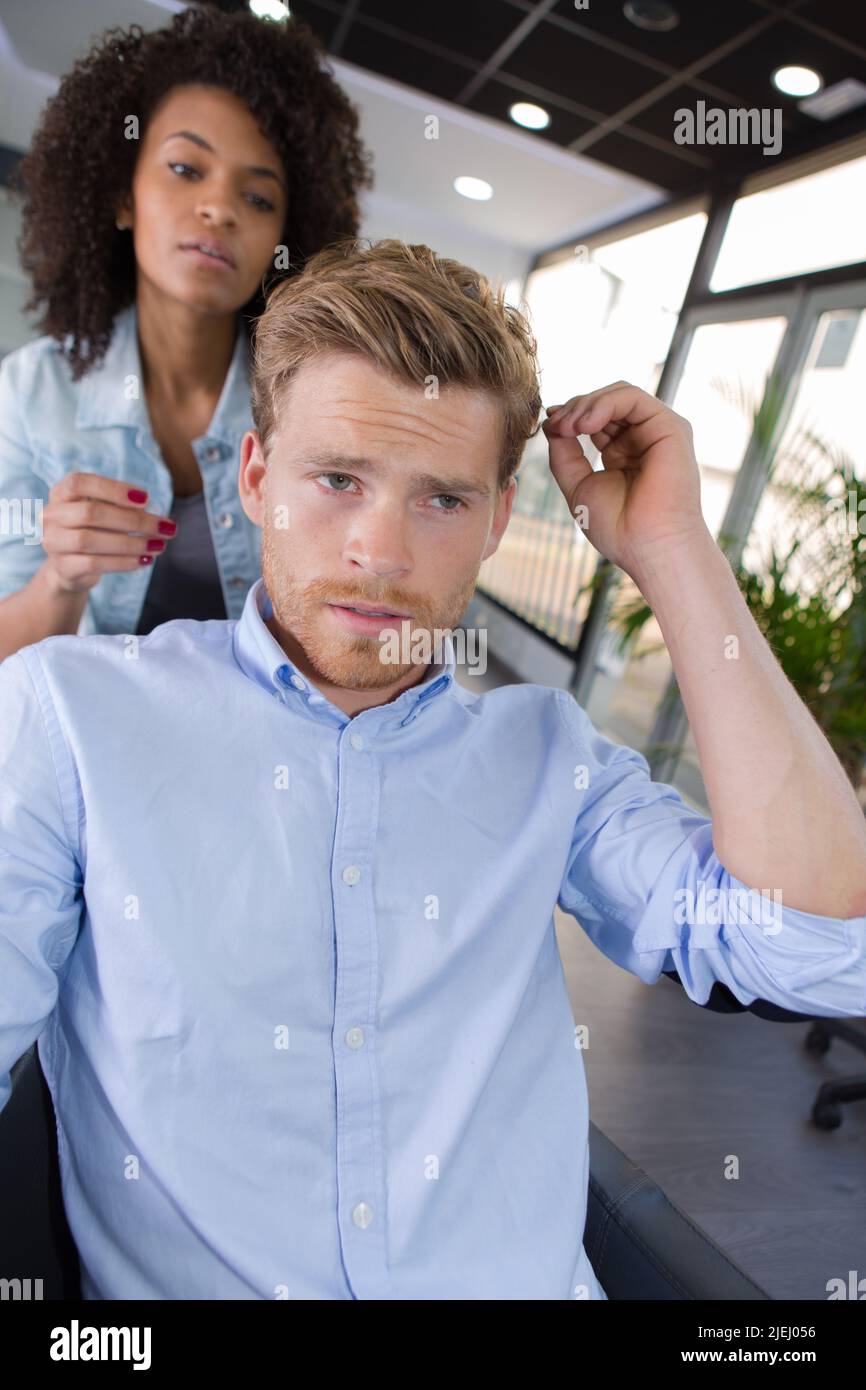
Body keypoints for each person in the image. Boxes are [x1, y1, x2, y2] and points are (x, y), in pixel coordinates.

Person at [0, 237, 864, 1301]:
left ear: (500, 517)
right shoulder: (71, 715)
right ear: (258, 476)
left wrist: (671, 547)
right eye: (336, 479)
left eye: (441, 500)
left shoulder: (549, 760)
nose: (380, 550)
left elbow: (826, 948)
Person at [0, 3, 372, 661]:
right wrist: (62, 576)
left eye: (258, 198)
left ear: (285, 239)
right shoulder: (32, 392)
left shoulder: (316, 400)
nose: (219, 208)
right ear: (121, 195)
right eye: (184, 169)